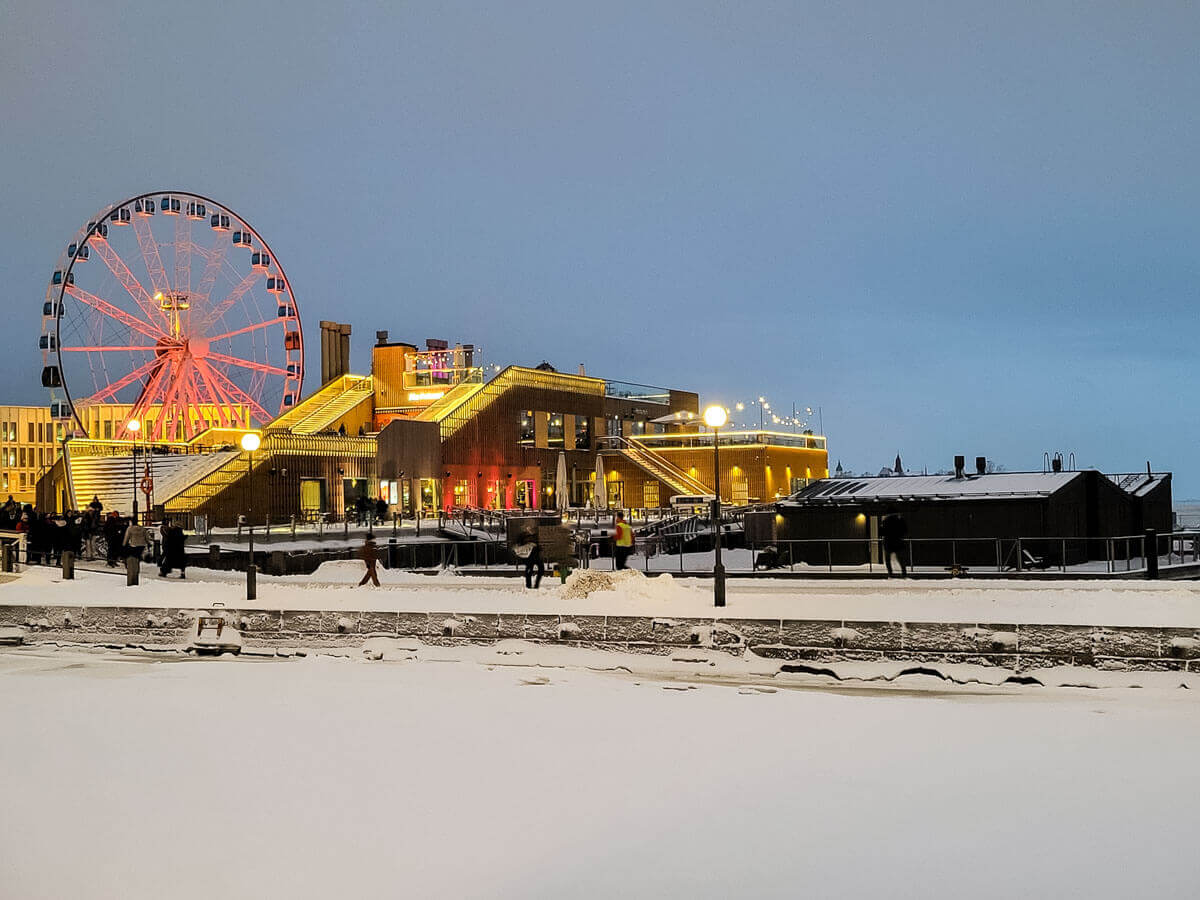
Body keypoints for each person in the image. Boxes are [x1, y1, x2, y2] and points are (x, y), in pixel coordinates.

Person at [880, 509, 908, 577]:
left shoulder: (885, 521)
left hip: (888, 541)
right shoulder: (900, 520)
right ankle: (904, 573)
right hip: (898, 541)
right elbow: (905, 530)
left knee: (887, 559)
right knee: (901, 559)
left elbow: (881, 532)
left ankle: (890, 573)